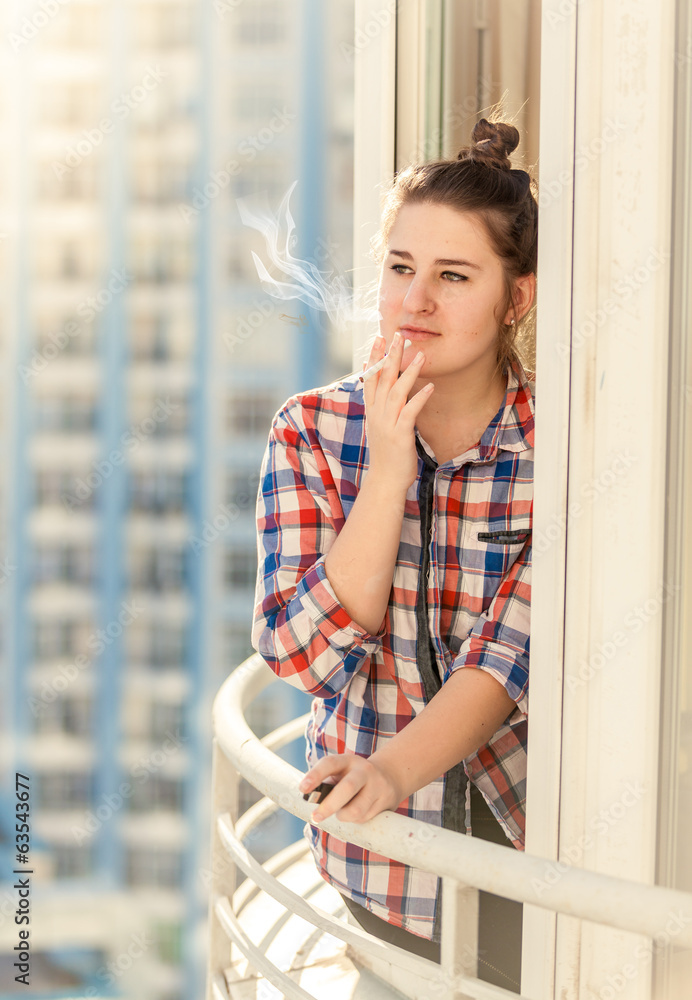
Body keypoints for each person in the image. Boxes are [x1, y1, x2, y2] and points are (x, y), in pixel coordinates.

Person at [251, 118, 537, 991]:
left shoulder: (554, 448)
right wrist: (386, 470)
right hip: (381, 868)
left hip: (527, 853)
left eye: (454, 277)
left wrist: (390, 768)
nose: (415, 302)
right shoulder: (311, 430)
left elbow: (507, 659)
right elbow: (303, 656)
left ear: (514, 300)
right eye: (400, 268)